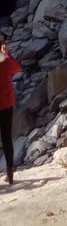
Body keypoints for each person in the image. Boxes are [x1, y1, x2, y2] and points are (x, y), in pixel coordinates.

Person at [0, 34, 21, 186]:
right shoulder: (6, 61)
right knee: (7, 138)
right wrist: (7, 54)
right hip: (6, 104)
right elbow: (17, 69)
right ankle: (10, 173)